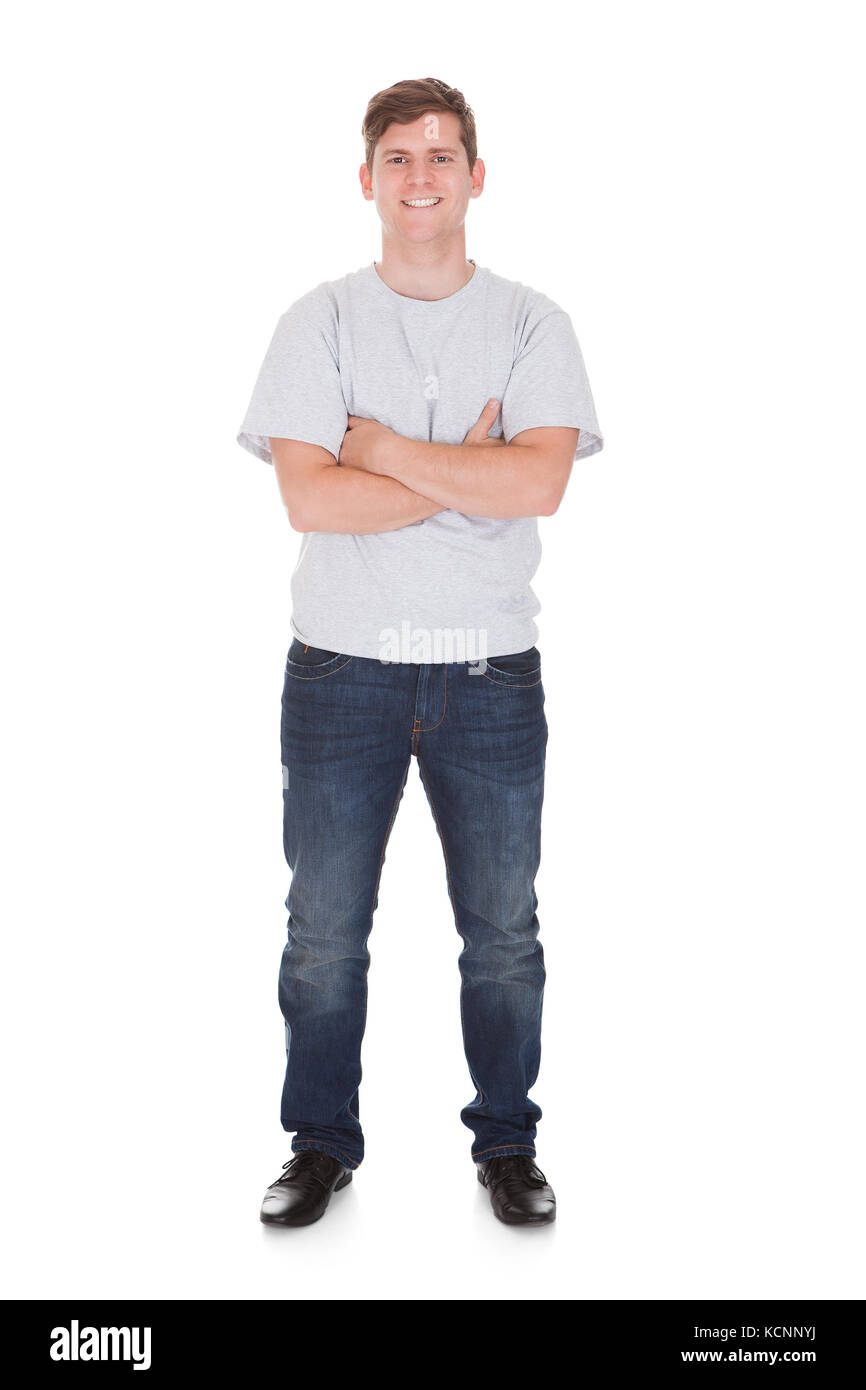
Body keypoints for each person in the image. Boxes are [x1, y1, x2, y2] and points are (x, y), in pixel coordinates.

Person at [236, 77, 604, 1228]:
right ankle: (318, 1144)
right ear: (367, 180)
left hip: (488, 672)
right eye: (397, 157)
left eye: (441, 156)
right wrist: (457, 471)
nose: (420, 176)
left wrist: (382, 450)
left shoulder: (533, 322)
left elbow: (536, 479)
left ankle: (506, 1143)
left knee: (501, 929)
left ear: (475, 177)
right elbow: (309, 502)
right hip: (339, 669)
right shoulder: (320, 321)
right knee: (324, 931)